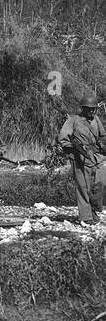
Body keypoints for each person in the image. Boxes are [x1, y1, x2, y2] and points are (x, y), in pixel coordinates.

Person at [56, 96, 105, 225]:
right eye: (88, 109)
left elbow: (103, 136)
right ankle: (85, 216)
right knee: (83, 187)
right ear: (83, 108)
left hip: (96, 156)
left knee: (100, 184)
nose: (91, 112)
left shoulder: (96, 120)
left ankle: (93, 209)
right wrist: (74, 148)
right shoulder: (73, 120)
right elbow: (63, 139)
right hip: (79, 157)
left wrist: (102, 145)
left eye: (93, 109)